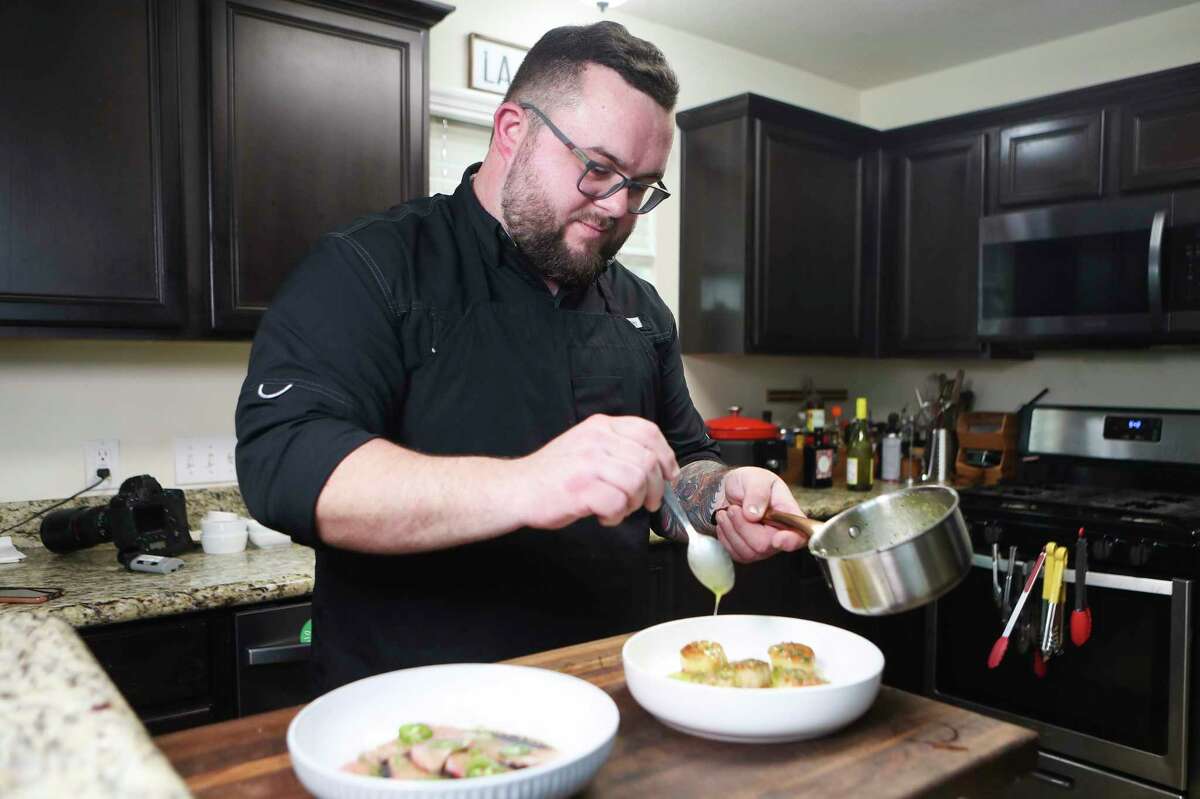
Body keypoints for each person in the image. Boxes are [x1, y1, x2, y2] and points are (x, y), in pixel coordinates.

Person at [235, 20, 808, 693]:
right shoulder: (371, 268)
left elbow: (682, 468)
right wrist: (531, 484)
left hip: (604, 696)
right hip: (413, 714)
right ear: (513, 130)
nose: (619, 205)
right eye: (598, 168)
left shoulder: (641, 308)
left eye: (643, 186)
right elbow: (286, 465)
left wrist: (720, 498)